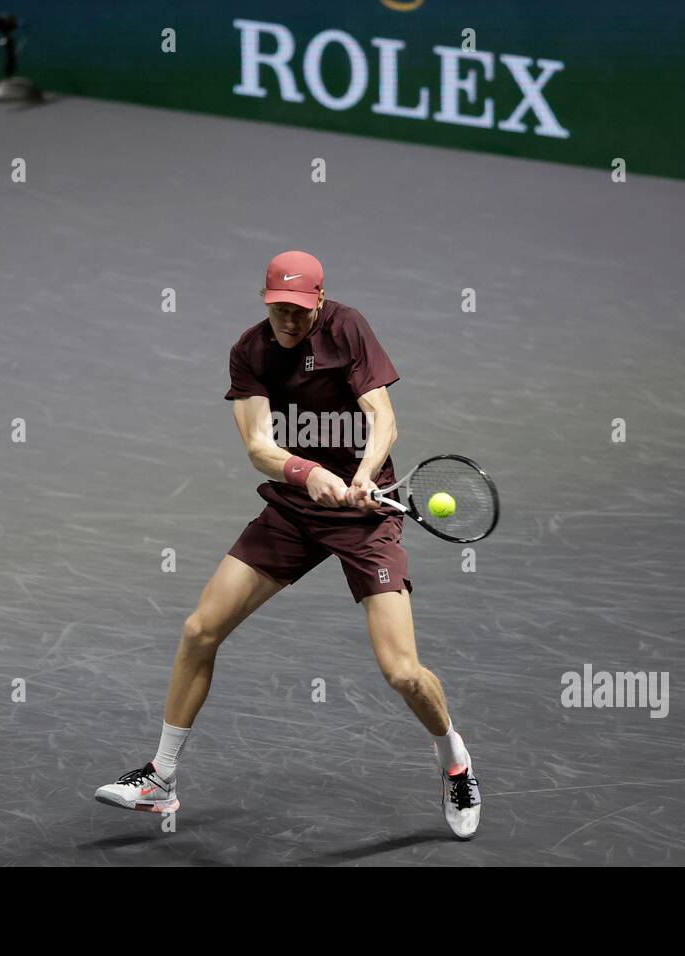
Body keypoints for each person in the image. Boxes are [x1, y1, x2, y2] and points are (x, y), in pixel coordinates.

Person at [95, 251, 481, 838]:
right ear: (265, 299)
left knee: (402, 672)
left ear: (320, 301)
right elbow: (257, 445)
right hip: (294, 514)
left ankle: (454, 759)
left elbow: (384, 419)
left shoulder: (348, 327)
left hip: (364, 518)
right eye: (280, 309)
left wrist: (362, 476)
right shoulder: (250, 352)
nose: (290, 320)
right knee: (201, 629)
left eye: (301, 310)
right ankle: (161, 778)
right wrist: (307, 473)